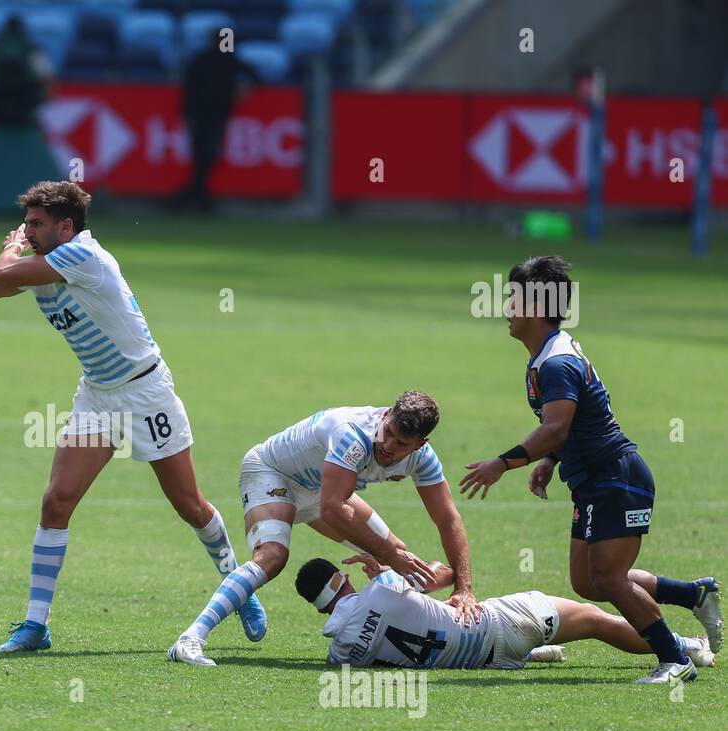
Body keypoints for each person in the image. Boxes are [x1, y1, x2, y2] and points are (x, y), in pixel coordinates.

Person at [0, 180, 265, 653]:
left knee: (188, 504)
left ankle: (239, 584)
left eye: (36, 224)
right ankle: (35, 625)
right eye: (25, 223)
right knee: (57, 501)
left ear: (66, 227)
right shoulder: (46, 263)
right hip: (98, 394)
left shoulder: (81, 257)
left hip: (146, 393)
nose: (27, 230)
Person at [460, 255, 720, 685]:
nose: (506, 308)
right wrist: (548, 461)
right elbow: (569, 428)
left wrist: (501, 464)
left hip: (616, 478)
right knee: (587, 582)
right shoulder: (546, 357)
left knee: (608, 577)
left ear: (537, 307)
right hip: (594, 482)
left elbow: (557, 425)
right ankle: (692, 594)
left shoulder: (556, 362)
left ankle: (676, 660)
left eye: (513, 299)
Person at [170, 392, 478, 666]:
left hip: (324, 489)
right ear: (386, 416)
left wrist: (464, 587)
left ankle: (451, 626)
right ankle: (189, 640)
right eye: (389, 433)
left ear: (420, 445)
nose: (388, 446)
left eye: (401, 445)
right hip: (273, 473)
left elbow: (448, 519)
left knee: (401, 561)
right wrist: (385, 553)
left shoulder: (423, 460)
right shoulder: (351, 434)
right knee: (273, 558)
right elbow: (332, 509)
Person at [297, 554, 714, 671]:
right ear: (341, 580)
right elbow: (444, 575)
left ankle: (541, 654)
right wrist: (388, 567)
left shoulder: (342, 652)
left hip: (489, 661)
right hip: (499, 623)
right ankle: (686, 647)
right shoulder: (382, 589)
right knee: (595, 619)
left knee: (588, 621)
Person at [179, 44, 260, 209]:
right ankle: (198, 194)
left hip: (206, 117)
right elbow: (254, 75)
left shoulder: (205, 59)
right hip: (211, 117)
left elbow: (188, 89)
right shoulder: (220, 61)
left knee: (205, 156)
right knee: (206, 156)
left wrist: (188, 114)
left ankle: (197, 193)